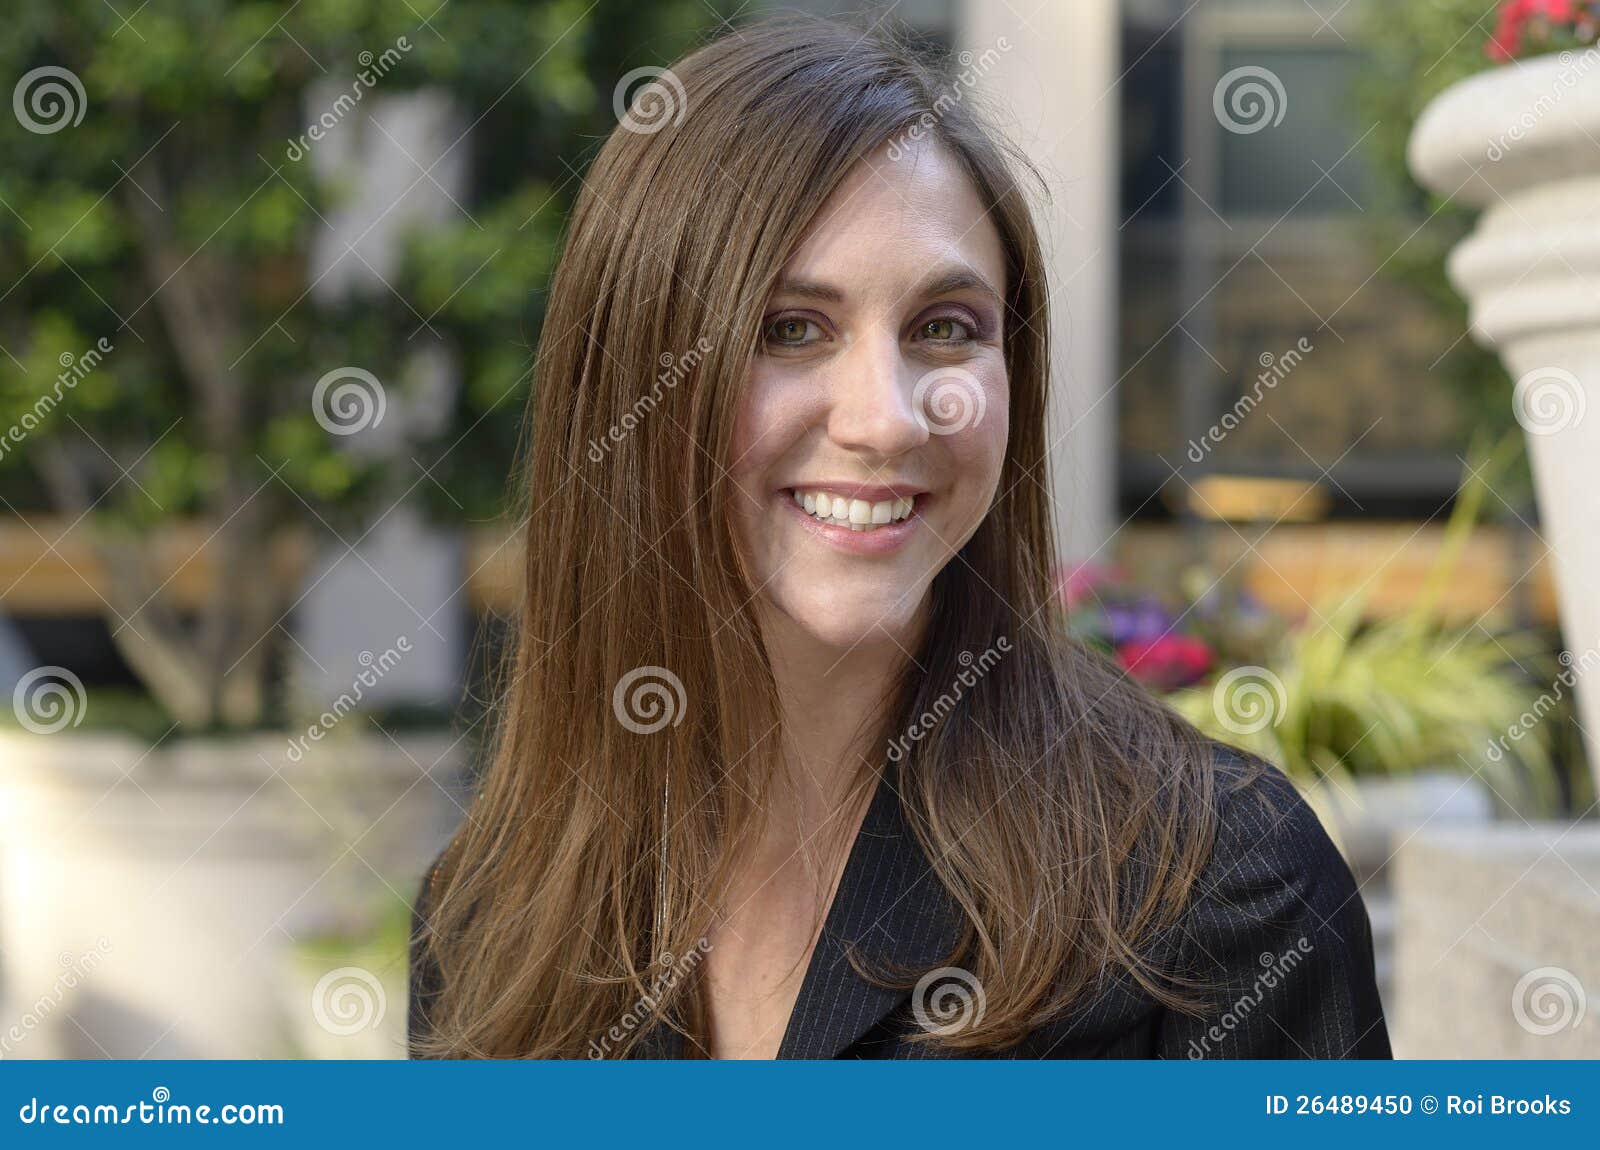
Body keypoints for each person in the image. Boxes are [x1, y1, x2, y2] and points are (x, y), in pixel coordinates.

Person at [408, 15, 1390, 1061]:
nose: (885, 418)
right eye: (791, 328)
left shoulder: (1217, 886)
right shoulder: (485, 922)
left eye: (944, 327)